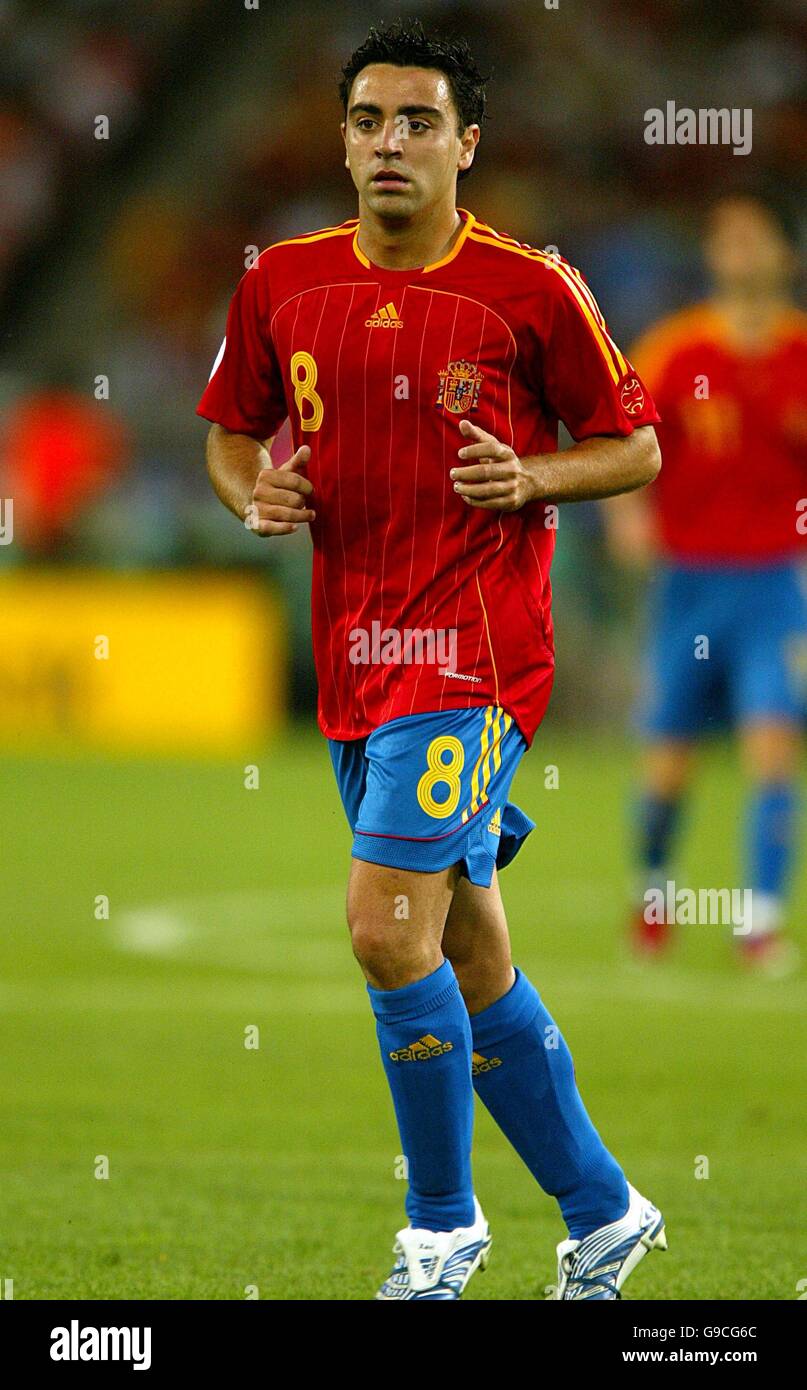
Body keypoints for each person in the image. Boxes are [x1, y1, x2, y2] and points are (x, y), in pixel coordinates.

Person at [198, 18, 664, 1300]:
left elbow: (635, 446)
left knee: (381, 930)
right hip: (355, 660)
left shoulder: (530, 289)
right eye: (366, 121)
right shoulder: (281, 280)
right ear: (343, 143)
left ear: (469, 142)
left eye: (415, 121)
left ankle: (439, 1231)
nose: (388, 142)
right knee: (466, 952)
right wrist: (254, 497)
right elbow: (232, 433)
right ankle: (605, 1209)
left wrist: (533, 472)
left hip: (474, 660)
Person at [608, 194, 807, 976]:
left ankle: (757, 924)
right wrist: (628, 515)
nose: (738, 251)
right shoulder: (672, 351)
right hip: (687, 582)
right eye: (725, 238)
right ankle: (653, 897)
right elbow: (623, 438)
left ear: (784, 255)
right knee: (666, 758)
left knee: (771, 748)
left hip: (774, 586)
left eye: (752, 237)